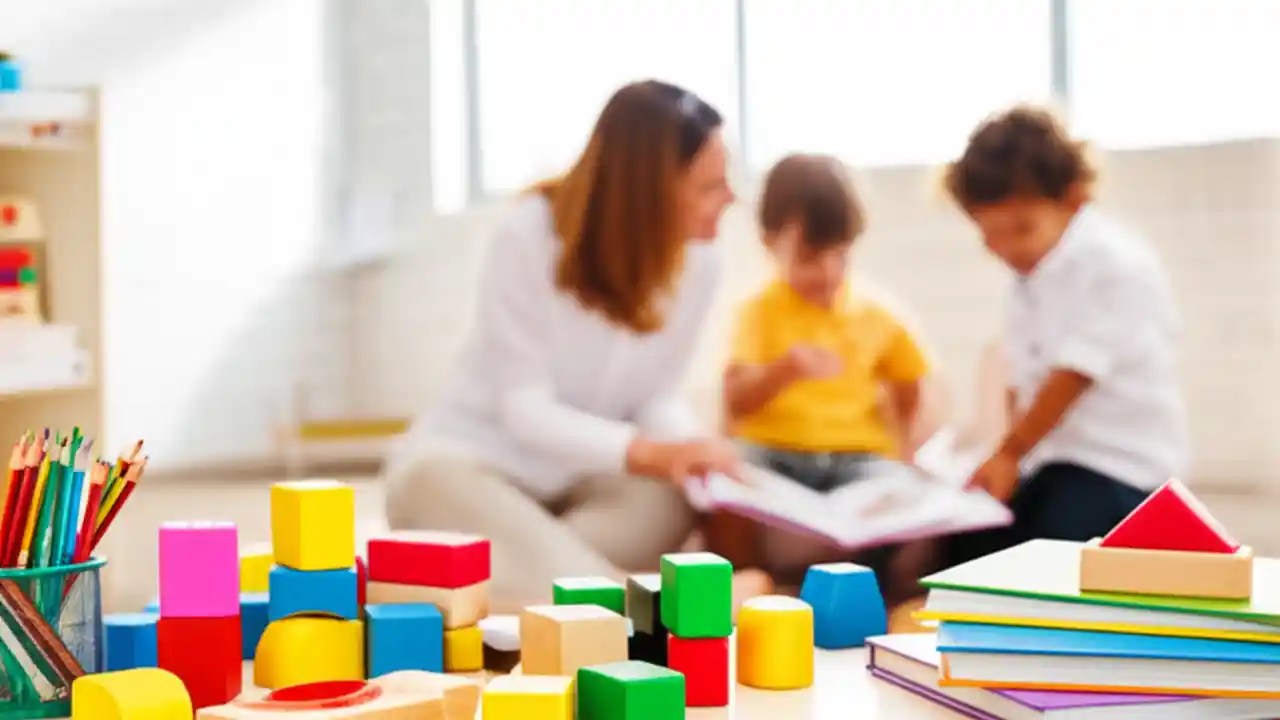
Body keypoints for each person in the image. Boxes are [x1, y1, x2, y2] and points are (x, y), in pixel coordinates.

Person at [382, 80, 771, 611]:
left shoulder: (701, 260)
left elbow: (657, 396)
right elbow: (526, 410)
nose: (729, 200)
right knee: (427, 482)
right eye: (709, 186)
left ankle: (524, 576)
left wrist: (693, 452)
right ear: (650, 193)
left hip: (584, 486)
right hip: (471, 462)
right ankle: (652, 609)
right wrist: (652, 452)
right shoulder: (529, 234)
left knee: (669, 500)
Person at [942, 105, 1189, 567]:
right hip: (1054, 466)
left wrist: (1010, 453)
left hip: (1122, 471)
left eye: (1022, 229)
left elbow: (1070, 377)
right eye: (989, 235)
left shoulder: (1110, 261)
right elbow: (1019, 381)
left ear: (1074, 200)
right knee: (970, 546)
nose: (1006, 249)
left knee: (1047, 558)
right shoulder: (1026, 281)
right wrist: (1003, 464)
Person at [712, 153, 933, 600]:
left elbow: (911, 382)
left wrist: (907, 442)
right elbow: (735, 400)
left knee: (901, 495)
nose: (829, 273)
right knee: (724, 481)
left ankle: (866, 590)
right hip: (772, 454)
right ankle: (744, 583)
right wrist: (784, 370)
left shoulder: (877, 313)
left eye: (842, 256)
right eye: (812, 258)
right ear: (770, 242)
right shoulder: (759, 312)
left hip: (857, 458)